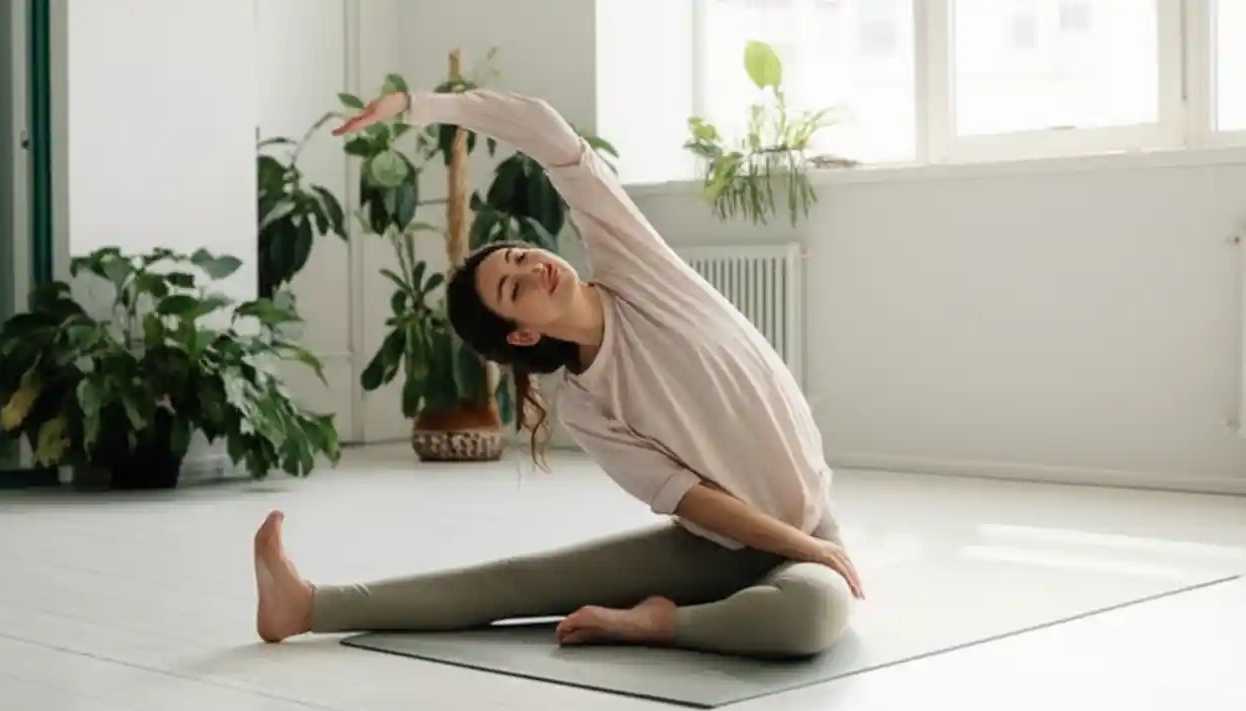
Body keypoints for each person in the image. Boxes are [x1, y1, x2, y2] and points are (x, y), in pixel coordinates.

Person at [253, 87, 864, 658]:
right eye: (514, 289)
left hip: (811, 521)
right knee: (517, 584)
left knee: (808, 613)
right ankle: (306, 606)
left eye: (520, 257)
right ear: (522, 333)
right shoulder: (586, 406)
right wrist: (805, 548)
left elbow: (547, 134)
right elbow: (697, 504)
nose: (533, 269)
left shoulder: (637, 270)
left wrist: (417, 104)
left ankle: (658, 625)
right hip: (726, 547)